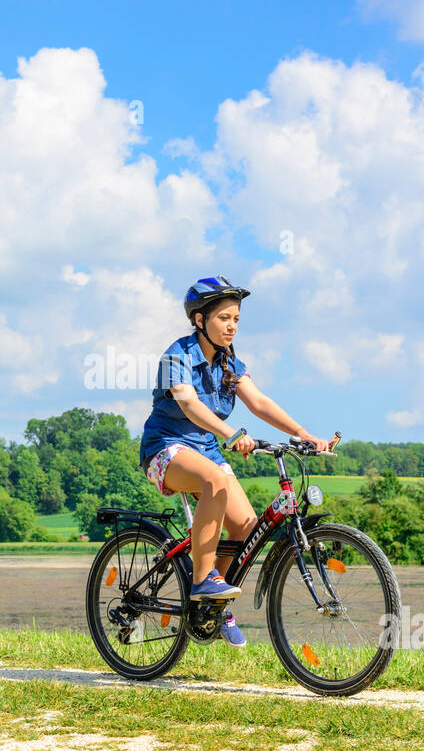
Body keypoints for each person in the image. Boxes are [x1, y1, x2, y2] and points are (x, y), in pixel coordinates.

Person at [139, 277, 331, 647]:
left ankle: (214, 603)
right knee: (214, 481)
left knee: (245, 526)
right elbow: (189, 404)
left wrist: (303, 433)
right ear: (199, 320)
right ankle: (202, 580)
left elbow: (259, 402)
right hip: (165, 449)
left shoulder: (230, 363)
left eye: (237, 319)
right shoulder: (175, 357)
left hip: (206, 452)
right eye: (224, 317)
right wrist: (230, 434)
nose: (232, 326)